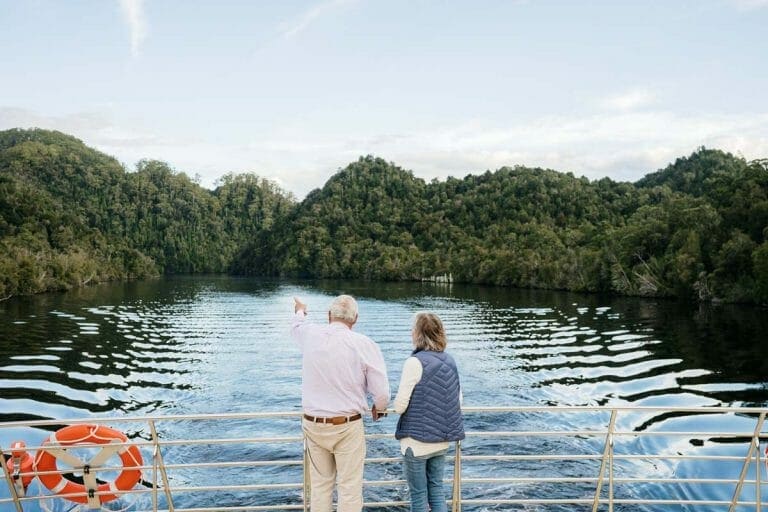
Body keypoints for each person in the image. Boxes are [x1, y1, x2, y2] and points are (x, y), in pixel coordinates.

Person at [291, 295, 389, 512]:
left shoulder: (310, 335)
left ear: (329, 316)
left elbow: (296, 325)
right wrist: (379, 408)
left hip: (314, 425)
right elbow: (381, 392)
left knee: (320, 488)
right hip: (347, 426)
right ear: (355, 319)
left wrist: (301, 310)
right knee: (350, 489)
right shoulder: (364, 344)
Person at [394, 312, 464, 512]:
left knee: (418, 496)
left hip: (416, 442)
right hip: (442, 439)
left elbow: (400, 406)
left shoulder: (414, 362)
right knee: (436, 490)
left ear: (417, 334)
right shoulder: (450, 361)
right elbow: (458, 400)